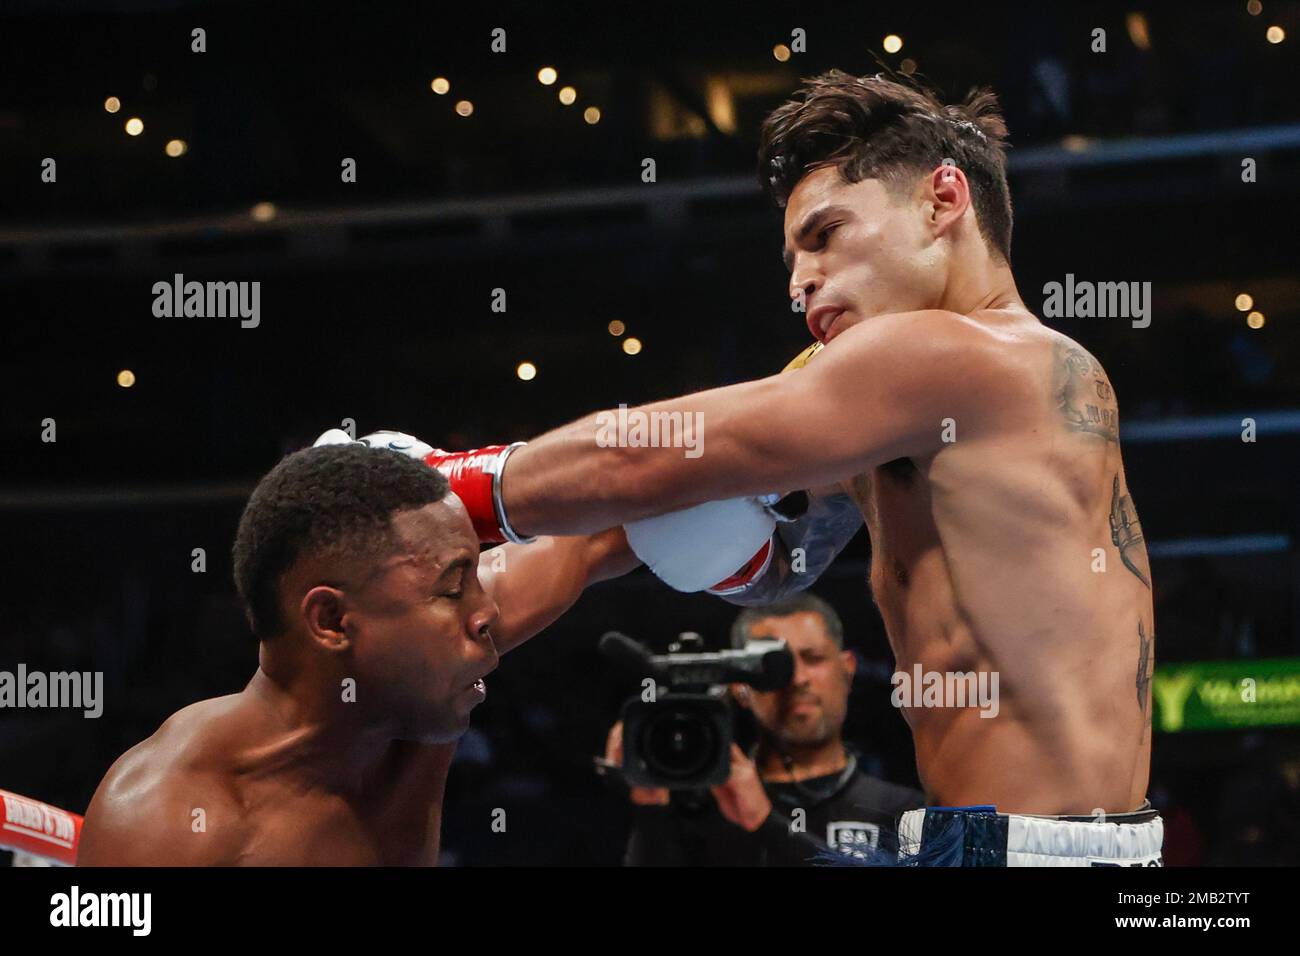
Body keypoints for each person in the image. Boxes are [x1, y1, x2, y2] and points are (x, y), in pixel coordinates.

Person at [420, 70, 1163, 865]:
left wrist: (434, 488)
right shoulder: (903, 402)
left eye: (825, 234)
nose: (798, 279)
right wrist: (437, 606)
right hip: (984, 840)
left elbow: (644, 457)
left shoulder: (966, 355)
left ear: (943, 201)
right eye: (791, 255)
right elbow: (624, 534)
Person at [78, 442, 638, 865]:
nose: (487, 611)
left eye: (475, 577)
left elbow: (607, 525)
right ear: (332, 622)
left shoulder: (422, 668)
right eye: (451, 587)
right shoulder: (169, 825)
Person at [608, 593, 922, 865]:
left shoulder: (906, 812)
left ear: (847, 669)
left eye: (813, 658)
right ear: (741, 688)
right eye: (773, 668)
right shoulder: (698, 809)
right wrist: (649, 808)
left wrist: (765, 824)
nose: (797, 679)